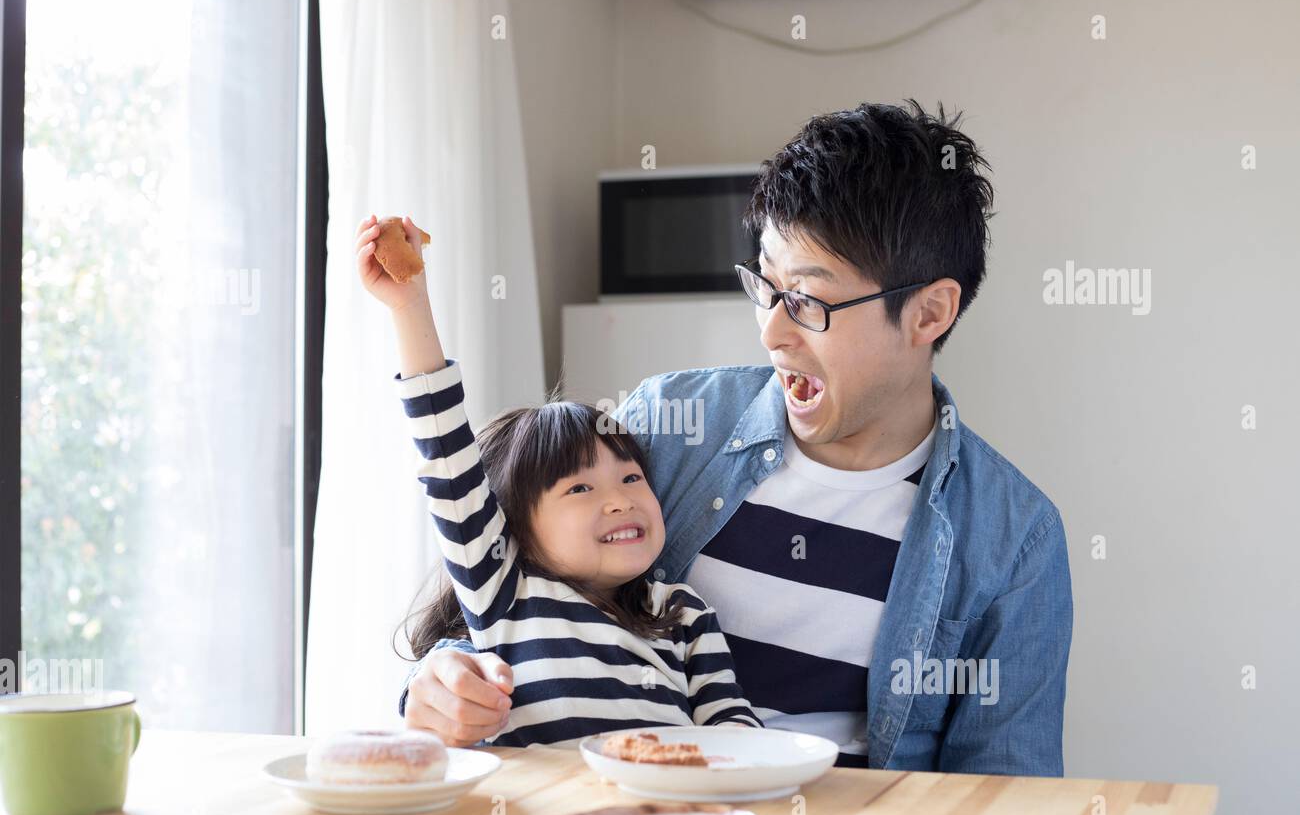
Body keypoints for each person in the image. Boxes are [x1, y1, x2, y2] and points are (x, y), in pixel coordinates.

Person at [400, 100, 1074, 775]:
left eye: (808, 301)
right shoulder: (667, 424)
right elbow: (501, 593)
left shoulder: (1014, 539)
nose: (772, 332)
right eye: (766, 287)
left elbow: (1008, 795)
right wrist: (439, 682)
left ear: (929, 313)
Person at [356, 214, 761, 746]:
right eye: (580, 488)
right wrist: (410, 305)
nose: (620, 501)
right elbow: (446, 458)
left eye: (632, 477)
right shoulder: (503, 590)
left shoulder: (683, 611)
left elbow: (734, 726)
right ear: (514, 526)